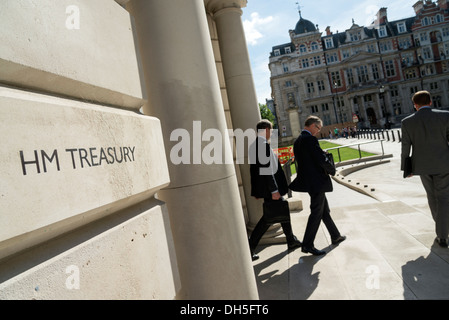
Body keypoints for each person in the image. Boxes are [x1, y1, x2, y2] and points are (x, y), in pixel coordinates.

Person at [289, 116, 346, 255]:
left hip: (309, 182)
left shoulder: (298, 141)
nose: (318, 131)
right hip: (317, 182)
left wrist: (320, 154)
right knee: (316, 212)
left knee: (323, 210)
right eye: (318, 128)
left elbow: (309, 159)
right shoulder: (310, 139)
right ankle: (307, 244)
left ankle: (335, 235)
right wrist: (332, 170)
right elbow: (320, 160)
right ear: (313, 125)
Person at [401, 90, 449, 248]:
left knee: (432, 196)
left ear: (415, 106)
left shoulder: (407, 122)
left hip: (421, 166)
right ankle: (443, 233)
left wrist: (406, 169)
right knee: (443, 198)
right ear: (430, 102)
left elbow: (405, 147)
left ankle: (441, 231)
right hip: (444, 164)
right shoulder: (444, 116)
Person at [248, 120, 302, 261]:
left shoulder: (256, 145)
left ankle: (291, 240)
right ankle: (250, 247)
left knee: (281, 212)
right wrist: (273, 190)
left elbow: (255, 171)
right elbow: (265, 171)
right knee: (268, 219)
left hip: (266, 189)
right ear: (266, 129)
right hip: (270, 189)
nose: (272, 133)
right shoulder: (262, 145)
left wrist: (257, 190)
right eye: (271, 130)